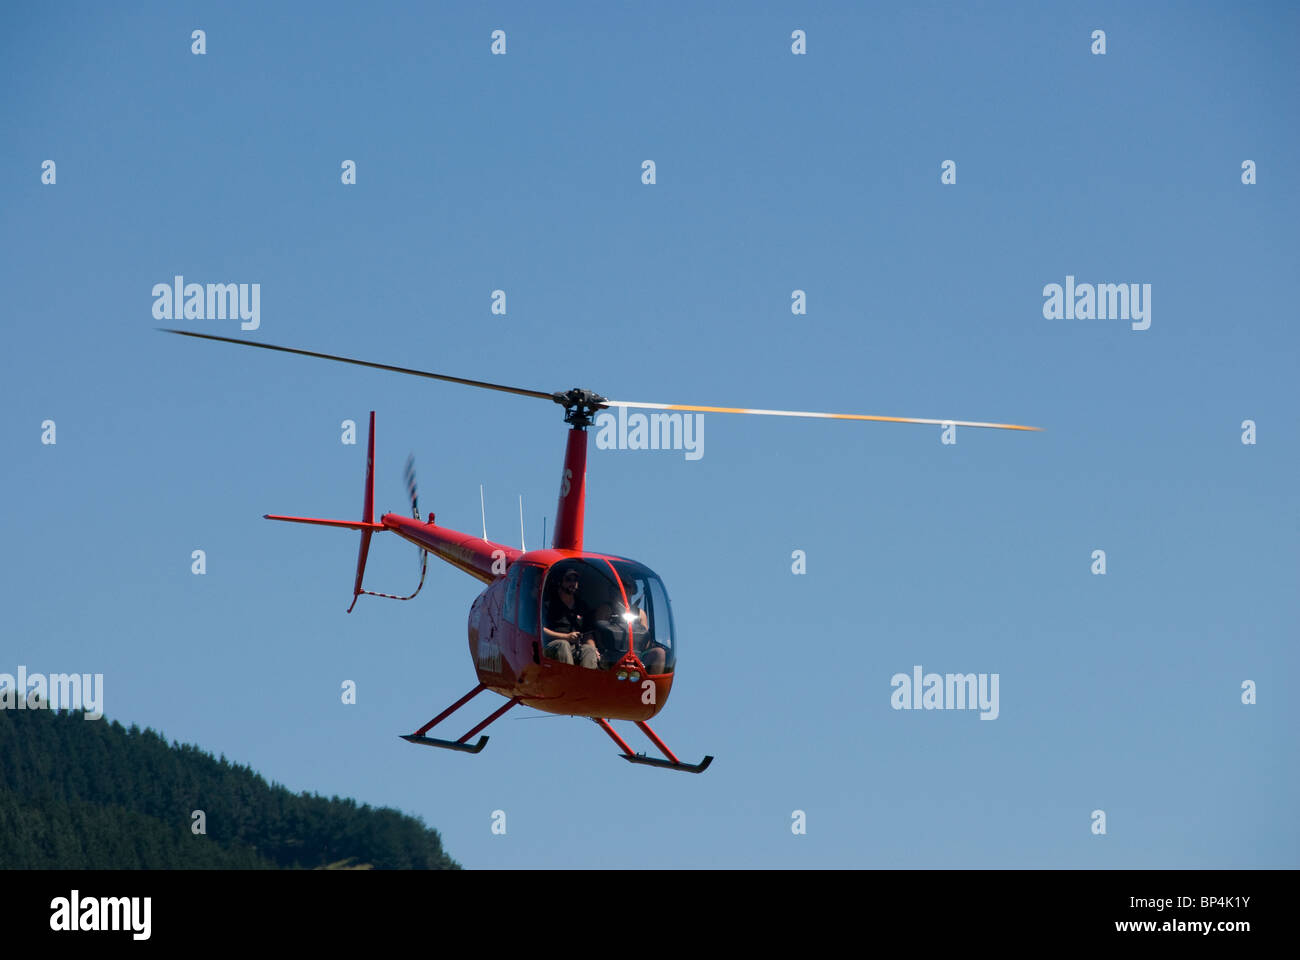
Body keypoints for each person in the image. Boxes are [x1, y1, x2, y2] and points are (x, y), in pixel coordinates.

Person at [542, 568, 598, 669]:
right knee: (563, 644)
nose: (573, 583)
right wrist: (566, 636)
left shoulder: (582, 606)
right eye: (568, 580)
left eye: (575, 580)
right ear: (560, 582)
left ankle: (588, 683)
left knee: (589, 649)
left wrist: (594, 650)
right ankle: (569, 679)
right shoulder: (549, 604)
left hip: (575, 647)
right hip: (552, 645)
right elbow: (541, 630)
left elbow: (588, 633)